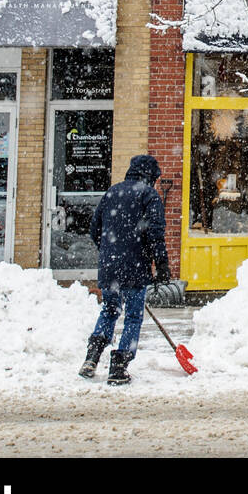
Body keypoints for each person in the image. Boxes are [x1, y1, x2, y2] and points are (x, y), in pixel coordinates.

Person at [79, 155, 171, 385]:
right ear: (150, 175)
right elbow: (155, 234)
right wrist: (161, 265)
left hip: (109, 265)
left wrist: (110, 250)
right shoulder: (149, 196)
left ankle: (91, 358)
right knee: (132, 316)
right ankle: (119, 366)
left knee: (109, 310)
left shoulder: (112, 192)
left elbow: (94, 229)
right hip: (136, 265)